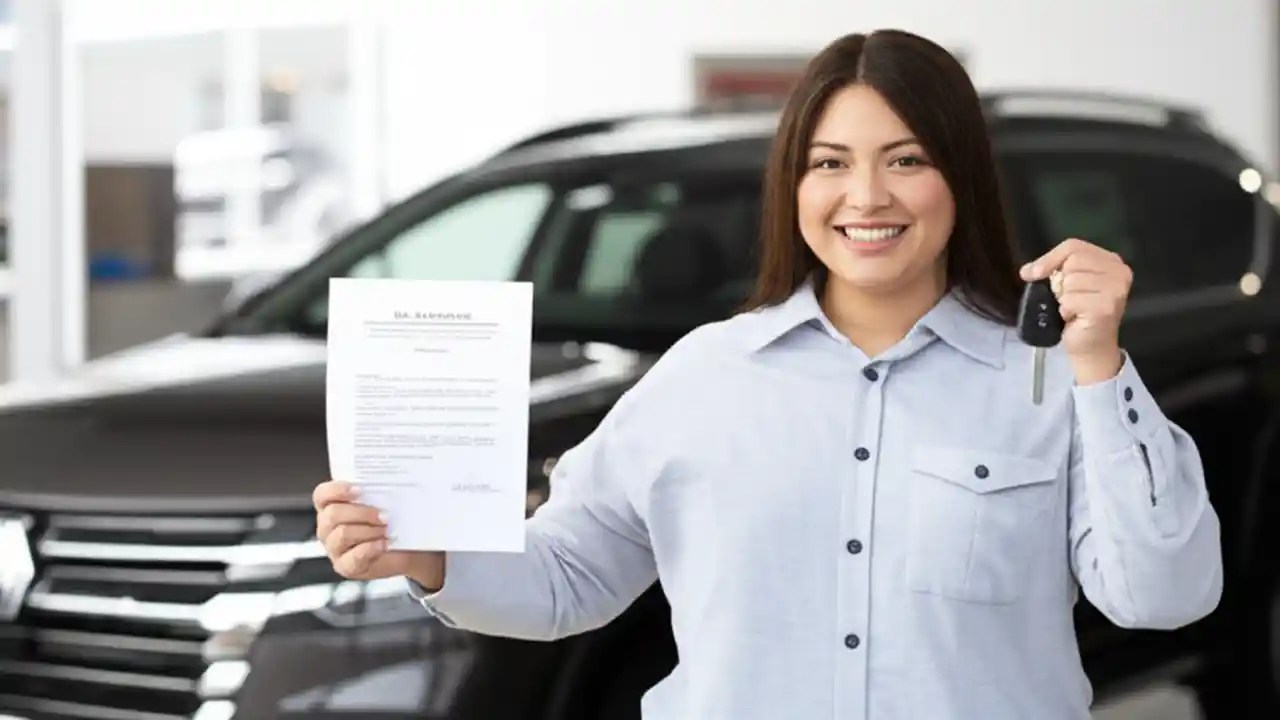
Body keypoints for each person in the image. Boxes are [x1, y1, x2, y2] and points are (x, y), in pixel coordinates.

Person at [312, 28, 1222, 720]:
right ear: (795, 188)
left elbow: (1164, 596)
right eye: (831, 164)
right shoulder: (704, 379)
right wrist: (428, 555)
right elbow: (566, 580)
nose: (866, 197)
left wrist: (1099, 363)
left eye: (906, 159)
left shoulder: (1052, 380)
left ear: (962, 180)